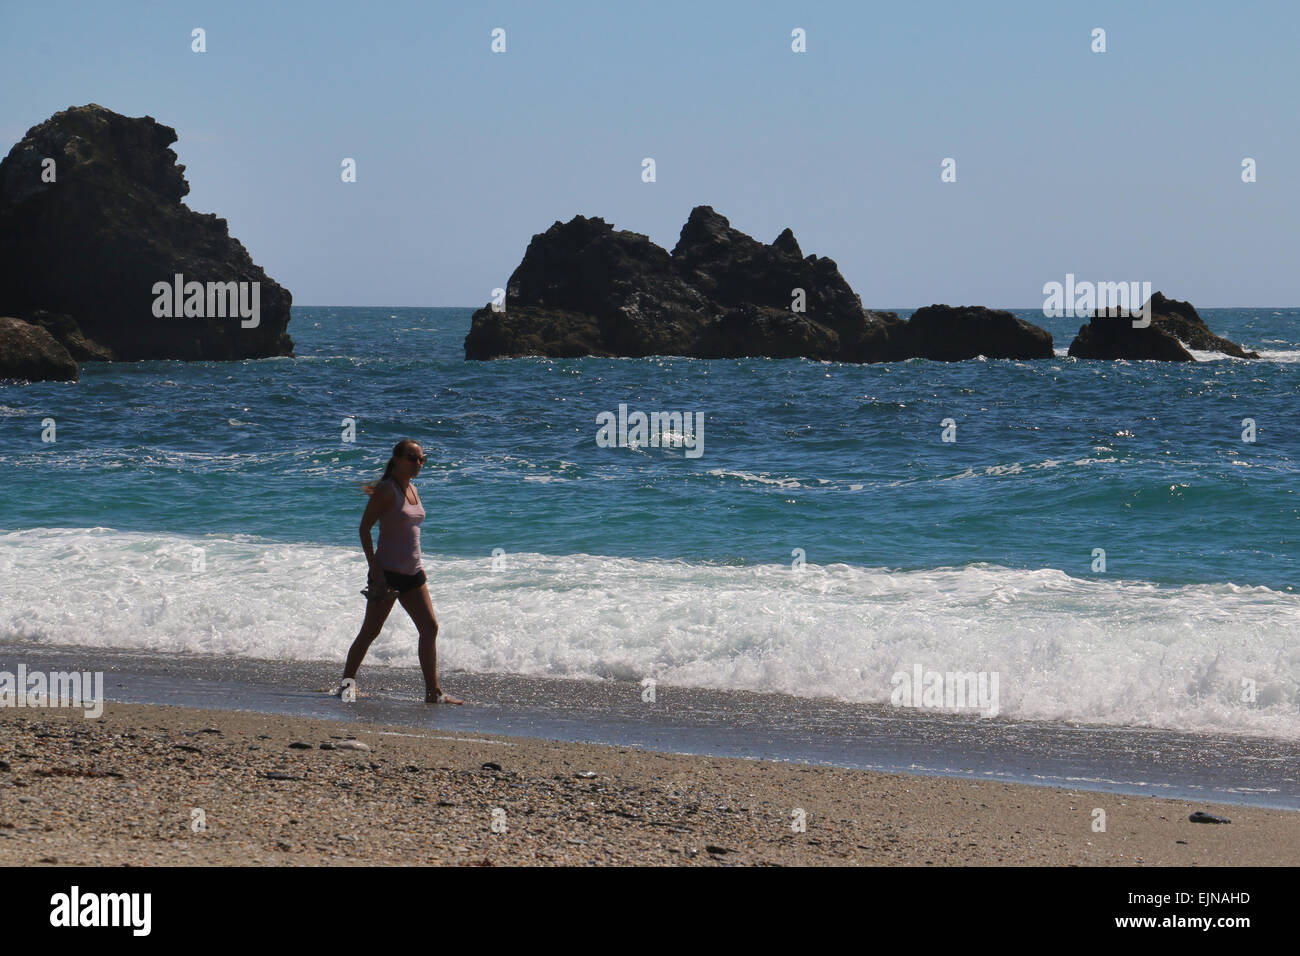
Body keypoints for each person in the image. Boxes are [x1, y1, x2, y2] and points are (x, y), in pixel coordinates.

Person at [335, 438, 462, 704]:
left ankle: (433, 691)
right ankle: (347, 685)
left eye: (422, 459)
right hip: (388, 572)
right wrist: (375, 570)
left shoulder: (413, 489)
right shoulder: (386, 490)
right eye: (413, 458)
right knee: (370, 631)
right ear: (397, 460)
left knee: (429, 627)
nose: (419, 463)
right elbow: (364, 529)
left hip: (413, 572)